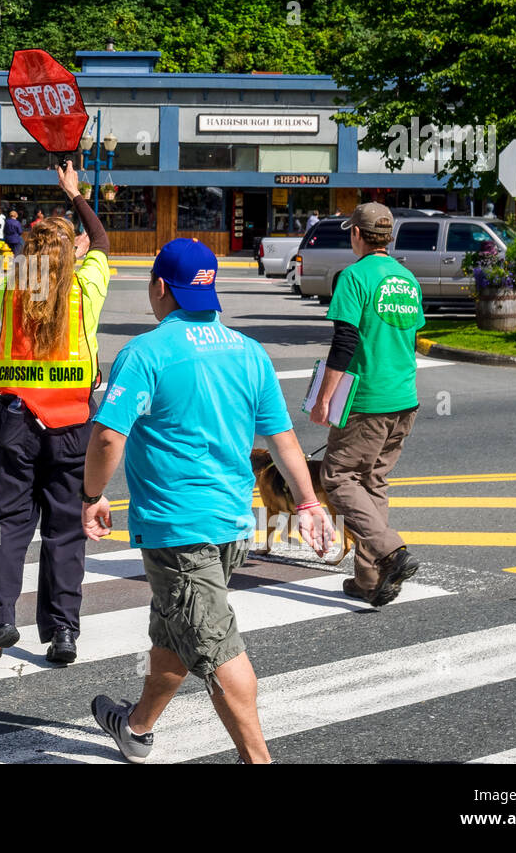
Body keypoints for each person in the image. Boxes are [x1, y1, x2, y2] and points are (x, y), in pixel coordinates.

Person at [82, 238, 333, 764]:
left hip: (178, 529)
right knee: (180, 631)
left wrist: (92, 495)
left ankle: (257, 760)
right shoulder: (247, 351)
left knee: (217, 649)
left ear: (159, 289)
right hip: (230, 523)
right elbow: (282, 438)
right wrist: (308, 504)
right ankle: (136, 728)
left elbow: (108, 438)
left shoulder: (145, 354)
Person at [0, 160, 109, 667]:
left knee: (4, 524)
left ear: (28, 253)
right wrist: (74, 195)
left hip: (16, 421)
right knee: (65, 530)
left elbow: (54, 259)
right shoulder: (85, 288)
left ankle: (0, 620)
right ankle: (63, 632)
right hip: (73, 425)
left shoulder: (14, 285)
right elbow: (102, 244)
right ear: (73, 253)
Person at [310, 202, 424, 606]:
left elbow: (345, 342)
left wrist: (324, 399)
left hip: (367, 400)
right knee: (373, 480)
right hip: (403, 398)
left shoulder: (354, 277)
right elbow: (408, 340)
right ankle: (371, 581)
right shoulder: (406, 279)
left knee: (338, 478)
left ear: (356, 234)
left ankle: (390, 551)